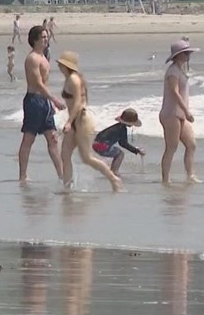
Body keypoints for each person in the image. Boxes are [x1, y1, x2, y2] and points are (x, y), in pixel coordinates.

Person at [56, 51, 122, 192]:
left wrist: (69, 122)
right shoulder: (69, 79)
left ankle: (113, 179)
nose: (59, 66)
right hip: (75, 120)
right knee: (65, 154)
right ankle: (67, 188)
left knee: (86, 157)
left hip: (82, 120)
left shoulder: (74, 79)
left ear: (67, 66)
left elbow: (78, 103)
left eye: (61, 64)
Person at [18, 26, 65, 183]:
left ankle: (62, 175)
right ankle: (23, 176)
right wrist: (55, 100)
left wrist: (50, 103)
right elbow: (38, 83)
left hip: (44, 102)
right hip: (34, 101)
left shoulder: (43, 57)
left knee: (53, 139)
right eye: (43, 37)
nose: (46, 39)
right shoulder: (32, 58)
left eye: (47, 36)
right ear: (35, 40)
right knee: (28, 139)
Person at [159, 39, 200, 185]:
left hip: (180, 113)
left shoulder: (180, 70)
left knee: (191, 144)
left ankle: (190, 175)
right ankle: (165, 180)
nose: (188, 55)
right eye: (185, 53)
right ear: (178, 55)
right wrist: (186, 111)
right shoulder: (173, 72)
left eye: (189, 53)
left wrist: (185, 112)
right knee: (171, 147)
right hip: (171, 113)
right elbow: (174, 92)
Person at [93, 108, 145, 175]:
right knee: (120, 154)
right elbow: (123, 144)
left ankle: (112, 171)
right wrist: (137, 151)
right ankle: (114, 172)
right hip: (102, 145)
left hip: (95, 144)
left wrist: (135, 150)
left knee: (117, 152)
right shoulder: (122, 129)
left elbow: (121, 143)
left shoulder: (116, 127)